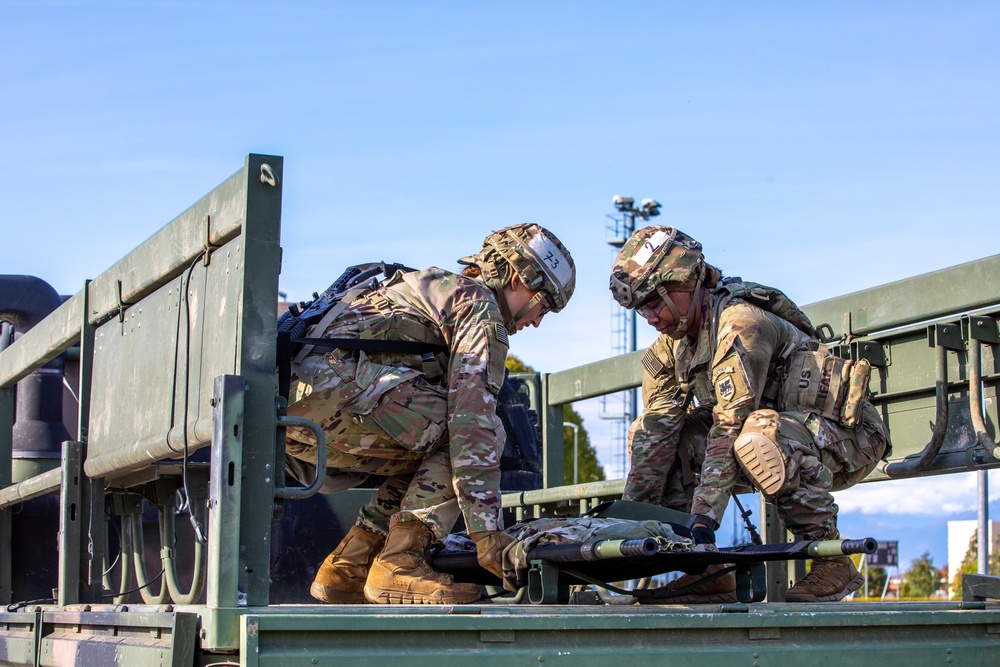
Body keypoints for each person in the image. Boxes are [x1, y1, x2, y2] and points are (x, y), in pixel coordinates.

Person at [284, 223, 575, 605]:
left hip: (292, 414)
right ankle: (399, 564)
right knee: (481, 433)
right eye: (543, 305)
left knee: (426, 445)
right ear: (519, 278)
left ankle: (350, 565)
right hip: (332, 394)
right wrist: (487, 535)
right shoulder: (477, 303)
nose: (537, 320)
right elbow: (472, 422)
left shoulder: (433, 287)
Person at [609, 225, 890, 602]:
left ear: (682, 284)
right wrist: (625, 529)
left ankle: (832, 560)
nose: (650, 317)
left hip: (846, 438)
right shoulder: (668, 348)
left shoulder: (741, 324)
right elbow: (655, 438)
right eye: (641, 309)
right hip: (769, 442)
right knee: (657, 432)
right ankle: (706, 571)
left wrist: (703, 521)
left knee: (758, 433)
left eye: (654, 303)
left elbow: (730, 425)